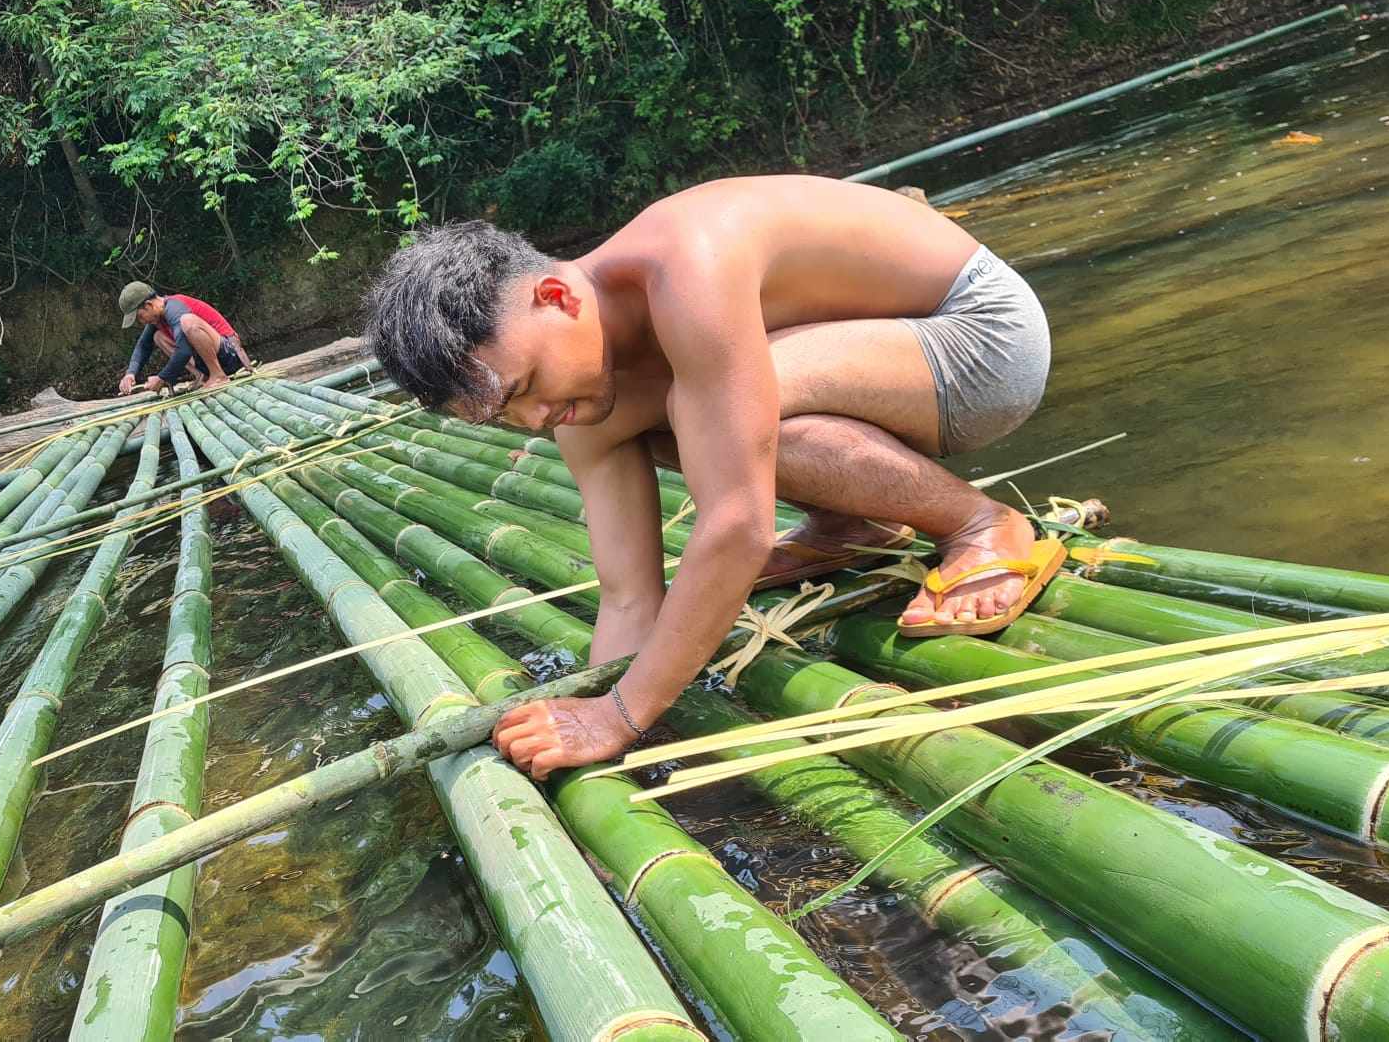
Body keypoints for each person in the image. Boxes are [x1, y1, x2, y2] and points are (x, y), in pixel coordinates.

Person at [364, 174, 1055, 778]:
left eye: (528, 386)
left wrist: (622, 718)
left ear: (556, 296)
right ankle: (850, 522)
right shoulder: (581, 408)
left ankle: (981, 523)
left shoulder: (684, 261)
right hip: (881, 366)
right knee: (696, 414)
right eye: (505, 415)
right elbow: (630, 597)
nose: (538, 419)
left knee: (719, 416)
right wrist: (586, 713)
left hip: (982, 342)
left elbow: (738, 526)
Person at [116, 282, 251, 395]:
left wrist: (162, 378)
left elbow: (184, 351)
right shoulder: (157, 318)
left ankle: (218, 375)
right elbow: (143, 346)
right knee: (158, 337)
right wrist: (130, 374)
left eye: (140, 316)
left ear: (149, 305)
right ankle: (201, 376)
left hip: (230, 355)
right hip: (206, 360)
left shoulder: (174, 308)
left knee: (188, 322)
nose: (142, 321)